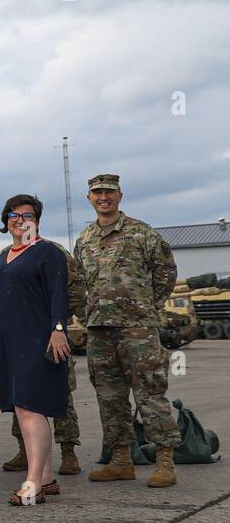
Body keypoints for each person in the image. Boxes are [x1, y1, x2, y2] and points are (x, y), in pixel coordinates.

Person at [74, 173, 180, 488]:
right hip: (100, 331)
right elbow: (80, 283)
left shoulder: (141, 233)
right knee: (110, 397)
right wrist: (88, 314)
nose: (103, 197)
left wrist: (148, 306)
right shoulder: (84, 239)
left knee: (150, 392)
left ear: (120, 195)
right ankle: (121, 459)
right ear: (89, 198)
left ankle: (165, 460)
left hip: (138, 330)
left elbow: (166, 272)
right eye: (97, 193)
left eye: (109, 192)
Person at [0, 195, 71, 505]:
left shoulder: (48, 253)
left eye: (26, 215)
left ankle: (33, 484)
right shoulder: (0, 257)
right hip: (7, 342)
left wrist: (58, 330)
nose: (19, 220)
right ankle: (46, 476)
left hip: (38, 339)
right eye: (12, 215)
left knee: (31, 407)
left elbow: (60, 294)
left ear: (37, 220)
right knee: (24, 409)